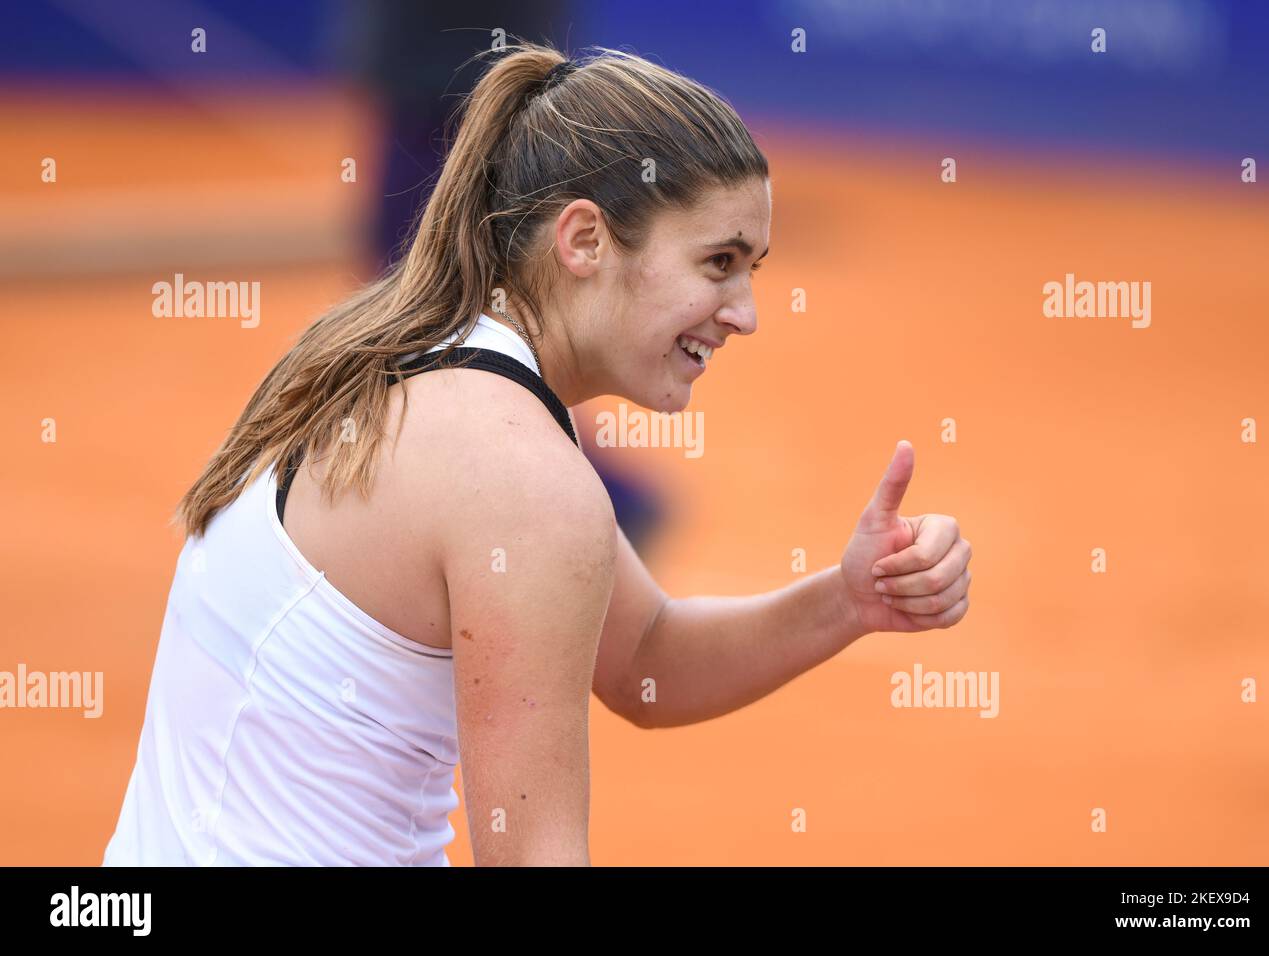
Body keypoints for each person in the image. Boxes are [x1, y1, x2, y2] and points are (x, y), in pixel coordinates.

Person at [102, 40, 971, 867]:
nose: (746, 312)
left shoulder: (390, 351)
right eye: (719, 262)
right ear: (584, 240)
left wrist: (850, 601)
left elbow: (644, 664)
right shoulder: (526, 483)